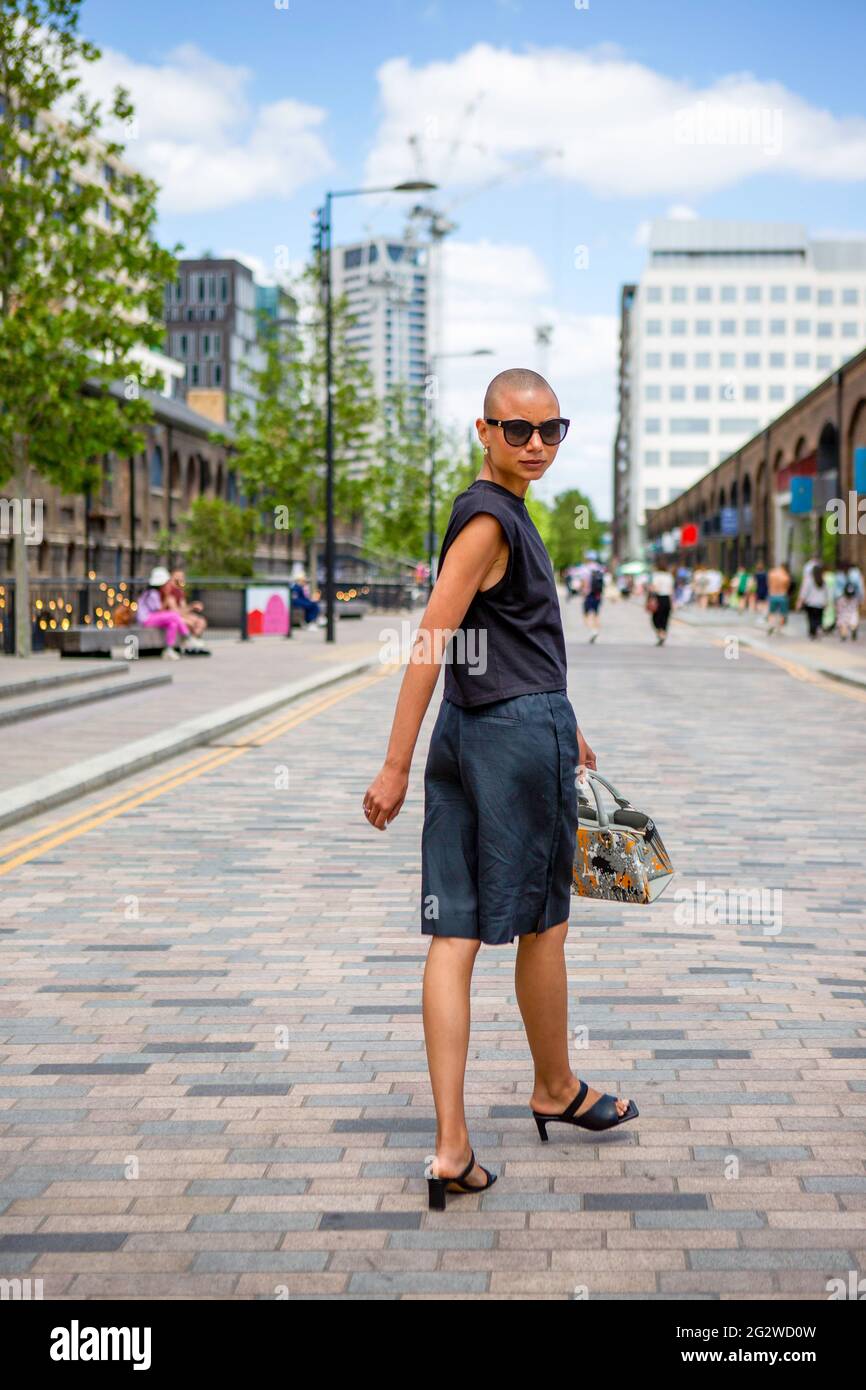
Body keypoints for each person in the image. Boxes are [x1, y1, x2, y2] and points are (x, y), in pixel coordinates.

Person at [362, 368, 636, 1208]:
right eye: (517, 431)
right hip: (511, 745)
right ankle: (553, 1087)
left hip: (472, 732)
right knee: (542, 927)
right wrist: (393, 762)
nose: (536, 445)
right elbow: (431, 639)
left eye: (552, 430)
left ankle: (452, 1150)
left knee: (456, 934)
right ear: (483, 431)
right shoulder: (490, 520)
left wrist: (568, 714)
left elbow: (505, 638)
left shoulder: (494, 510)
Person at [136, 565, 190, 659]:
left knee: (173, 624)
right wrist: (167, 595)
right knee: (173, 615)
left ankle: (169, 649)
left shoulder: (154, 593)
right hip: (146, 619)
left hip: (151, 618)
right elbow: (159, 610)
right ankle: (187, 636)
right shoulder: (152, 593)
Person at [166, 568, 211, 654]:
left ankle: (192, 643)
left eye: (182, 576)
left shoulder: (180, 591)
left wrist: (192, 607)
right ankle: (190, 643)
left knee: (201, 621)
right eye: (177, 576)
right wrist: (191, 608)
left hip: (179, 615)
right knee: (190, 622)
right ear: (171, 577)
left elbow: (183, 608)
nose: (180, 579)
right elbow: (175, 612)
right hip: (170, 616)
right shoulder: (169, 591)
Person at [797, 562, 829, 640]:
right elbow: (826, 593)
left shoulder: (809, 580)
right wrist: (826, 602)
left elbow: (804, 592)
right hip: (820, 603)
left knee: (811, 618)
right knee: (818, 618)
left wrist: (800, 601)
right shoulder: (822, 581)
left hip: (810, 603)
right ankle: (817, 630)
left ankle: (813, 632)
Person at [647, 556, 674, 645]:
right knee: (665, 618)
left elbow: (653, 588)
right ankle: (663, 633)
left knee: (656, 618)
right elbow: (671, 590)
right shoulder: (669, 576)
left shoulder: (656, 575)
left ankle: (660, 633)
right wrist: (672, 602)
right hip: (667, 599)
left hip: (658, 598)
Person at [578, 554, 605, 642]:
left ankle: (593, 631)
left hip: (588, 594)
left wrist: (581, 590)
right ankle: (596, 630)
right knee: (596, 614)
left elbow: (583, 582)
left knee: (586, 614)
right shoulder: (599, 568)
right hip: (597, 594)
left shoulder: (585, 569)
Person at [766, 561, 790, 637]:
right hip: (782, 595)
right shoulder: (785, 575)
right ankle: (778, 628)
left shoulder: (772, 573)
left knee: (772, 612)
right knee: (782, 614)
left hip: (772, 594)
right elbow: (787, 586)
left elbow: (768, 583)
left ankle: (771, 625)